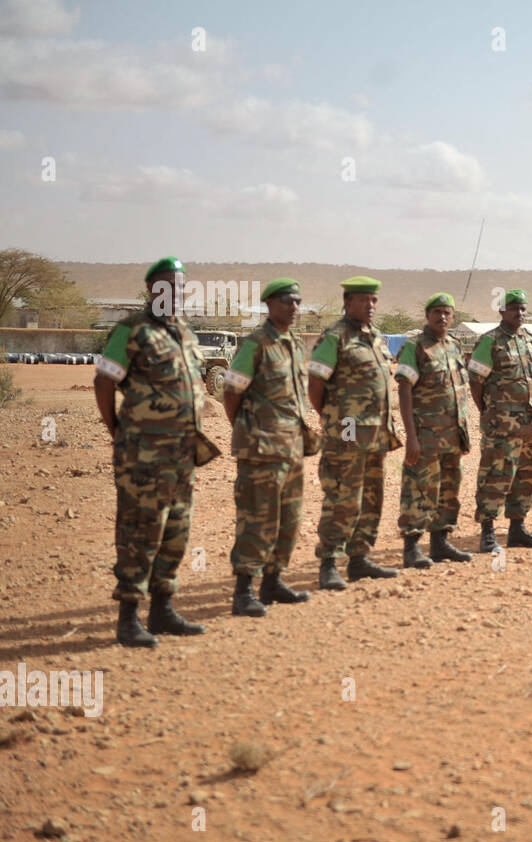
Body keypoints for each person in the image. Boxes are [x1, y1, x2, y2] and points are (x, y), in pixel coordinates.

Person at [94, 256, 219, 647]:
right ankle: (128, 617)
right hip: (143, 455)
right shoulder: (132, 330)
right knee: (139, 531)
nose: (176, 291)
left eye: (182, 285)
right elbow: (103, 381)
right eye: (168, 285)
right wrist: (117, 430)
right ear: (153, 290)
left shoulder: (184, 332)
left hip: (182, 454)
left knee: (175, 530)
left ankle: (163, 609)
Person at [222, 276, 315, 616]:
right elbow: (231, 393)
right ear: (269, 305)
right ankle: (244, 590)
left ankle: (273, 581)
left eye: (297, 303)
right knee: (257, 518)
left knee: (288, 518)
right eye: (286, 302)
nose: (293, 308)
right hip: (260, 451)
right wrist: (247, 430)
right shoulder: (256, 343)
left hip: (291, 448)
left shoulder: (294, 344)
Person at [308, 276, 402, 589]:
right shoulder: (335, 337)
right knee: (343, 496)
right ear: (347, 303)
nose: (371, 305)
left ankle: (360, 558)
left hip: (376, 432)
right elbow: (316, 386)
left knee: (372, 496)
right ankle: (329, 563)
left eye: (374, 300)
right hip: (347, 430)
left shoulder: (376, 337)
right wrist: (333, 419)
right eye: (364, 300)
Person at [394, 293, 473, 566]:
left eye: (447, 312)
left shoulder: (454, 345)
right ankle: (412, 547)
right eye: (437, 311)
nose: (442, 317)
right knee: (419, 489)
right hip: (425, 436)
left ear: (453, 317)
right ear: (427, 315)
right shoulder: (415, 346)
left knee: (449, 490)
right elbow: (404, 390)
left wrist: (464, 434)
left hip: (453, 435)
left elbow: (459, 391)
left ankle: (440, 543)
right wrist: (411, 438)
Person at [469, 289, 532, 551]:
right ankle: (488, 533)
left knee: (528, 476)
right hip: (501, 426)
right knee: (495, 477)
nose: (520, 313)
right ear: (501, 311)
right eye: (514, 308)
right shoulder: (490, 341)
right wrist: (488, 411)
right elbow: (476, 381)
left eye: (523, 308)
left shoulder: (529, 339)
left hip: (530, 425)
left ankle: (517, 529)